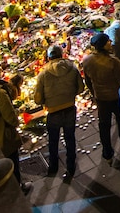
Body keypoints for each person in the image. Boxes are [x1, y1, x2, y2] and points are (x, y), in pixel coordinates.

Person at [34, 43, 84, 179]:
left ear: (49, 58)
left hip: (53, 111)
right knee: (70, 138)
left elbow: (38, 99)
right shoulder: (72, 68)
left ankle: (53, 166)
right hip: (69, 108)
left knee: (53, 140)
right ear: (62, 55)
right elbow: (80, 88)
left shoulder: (43, 74)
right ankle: (71, 166)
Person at [81, 32, 120, 161]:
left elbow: (88, 81)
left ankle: (107, 152)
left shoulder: (87, 61)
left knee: (104, 125)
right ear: (102, 45)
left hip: (101, 98)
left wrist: (93, 93)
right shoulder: (113, 62)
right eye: (108, 41)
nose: (111, 43)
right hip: (116, 96)